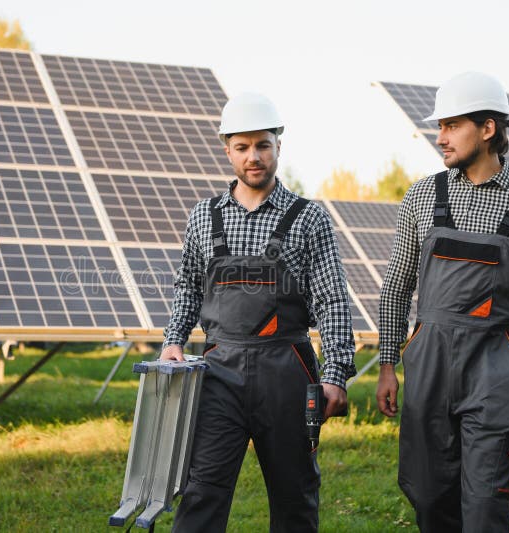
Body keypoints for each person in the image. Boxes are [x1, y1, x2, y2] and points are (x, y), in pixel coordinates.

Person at [376, 71, 509, 532]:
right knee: (428, 496)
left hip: (496, 376)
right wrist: (387, 364)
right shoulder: (421, 197)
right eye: (440, 127)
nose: (441, 137)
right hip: (429, 373)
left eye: (452, 125)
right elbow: (395, 287)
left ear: (488, 128)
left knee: (485, 503)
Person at [160, 92, 356, 532]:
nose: (254, 156)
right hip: (219, 372)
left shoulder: (309, 218)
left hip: (287, 372)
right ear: (227, 150)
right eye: (243, 146)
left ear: (278, 146)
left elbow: (332, 300)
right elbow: (188, 286)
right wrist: (174, 340)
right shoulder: (204, 216)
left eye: (263, 145)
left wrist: (335, 373)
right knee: (201, 491)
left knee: (294, 495)